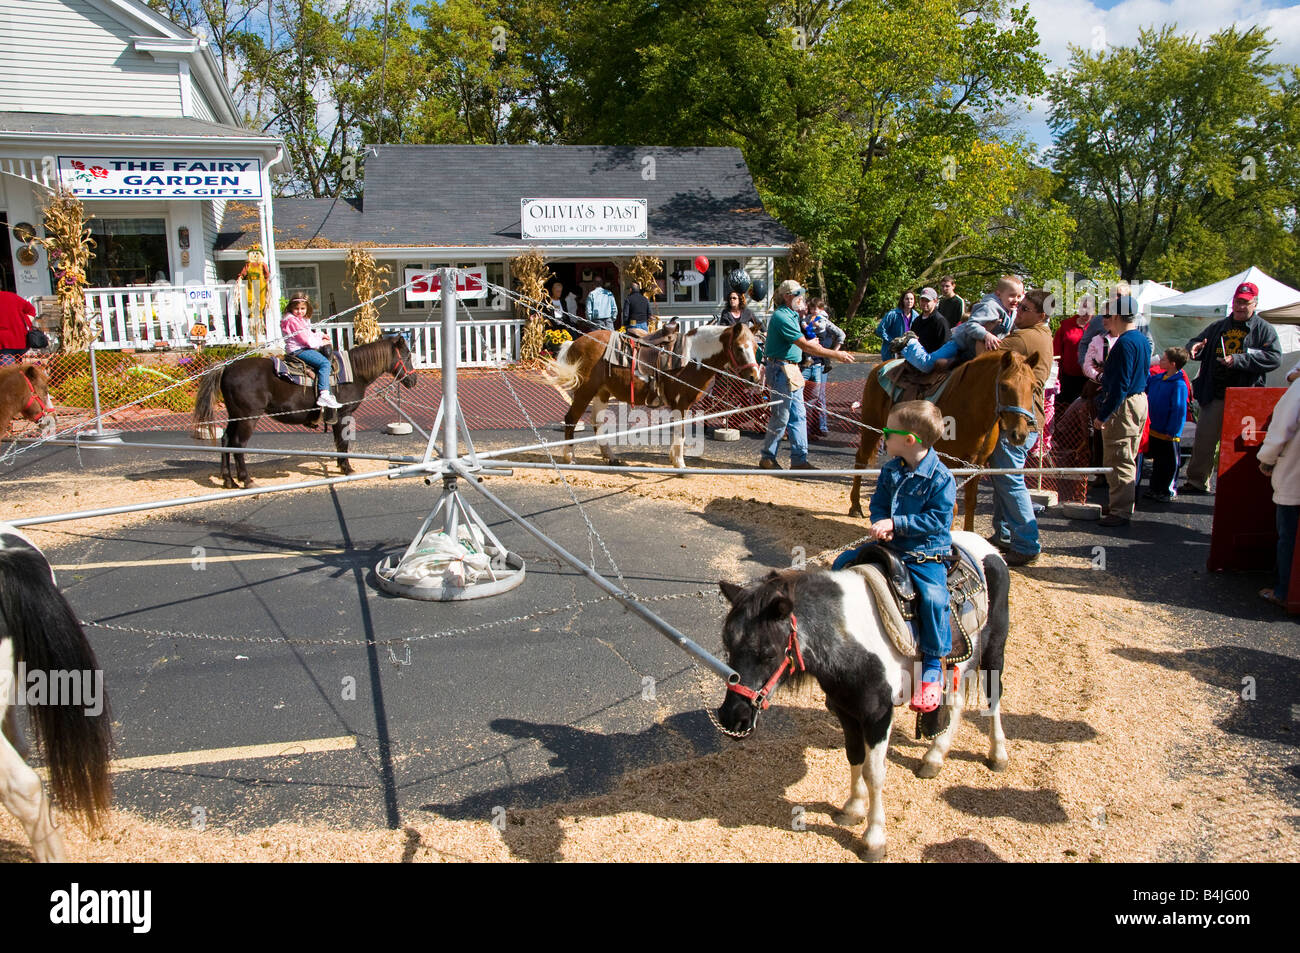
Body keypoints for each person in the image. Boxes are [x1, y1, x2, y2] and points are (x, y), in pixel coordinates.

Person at [831, 400, 955, 713]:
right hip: (891, 546)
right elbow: (879, 503)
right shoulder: (890, 470)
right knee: (841, 564)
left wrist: (896, 524)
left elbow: (938, 521)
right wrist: (880, 521)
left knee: (933, 599)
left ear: (908, 439)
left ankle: (931, 667)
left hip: (925, 553)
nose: (882, 437)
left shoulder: (941, 479)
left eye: (887, 432)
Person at [1182, 281, 1283, 495]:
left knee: (1240, 445)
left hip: (1244, 397)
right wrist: (1194, 348)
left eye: (1245, 303)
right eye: (1237, 301)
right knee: (1204, 440)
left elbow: (1274, 358)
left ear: (1255, 304)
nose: (1240, 306)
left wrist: (1239, 360)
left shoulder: (1264, 330)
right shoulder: (1218, 326)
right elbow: (1194, 343)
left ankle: (1238, 484)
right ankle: (1197, 481)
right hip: (1215, 393)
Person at [987, 288, 1054, 565]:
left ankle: (1027, 544)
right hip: (1027, 417)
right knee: (1004, 477)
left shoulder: (1023, 338)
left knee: (1010, 480)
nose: (1019, 312)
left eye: (1025, 309)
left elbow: (982, 356)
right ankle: (1004, 534)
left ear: (1041, 315)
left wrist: (978, 331)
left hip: (1019, 419)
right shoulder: (1043, 334)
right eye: (1019, 307)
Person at [759, 280, 855, 470]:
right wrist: (836, 354)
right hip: (781, 370)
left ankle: (799, 460)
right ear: (787, 296)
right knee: (781, 416)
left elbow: (809, 340)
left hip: (791, 370)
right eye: (798, 295)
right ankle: (768, 457)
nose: (801, 299)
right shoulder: (781, 317)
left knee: (799, 416)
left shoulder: (793, 316)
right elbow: (806, 345)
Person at [1092, 295, 1149, 526]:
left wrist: (1103, 415)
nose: (1106, 320)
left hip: (1124, 404)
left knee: (1119, 457)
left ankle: (1121, 510)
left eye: (1107, 315)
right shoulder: (1141, 339)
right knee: (1126, 455)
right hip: (1138, 400)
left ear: (1116, 316)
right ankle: (1120, 503)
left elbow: (1120, 385)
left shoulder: (1125, 343)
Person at [895, 275, 1023, 373]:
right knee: (928, 364)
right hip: (959, 343)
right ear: (998, 294)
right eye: (1012, 296)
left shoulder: (1011, 312)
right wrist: (986, 335)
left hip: (973, 349)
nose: (1016, 300)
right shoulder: (991, 307)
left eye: (1019, 296)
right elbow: (972, 325)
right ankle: (910, 343)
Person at [1258, 372, 1300, 607]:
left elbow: (1282, 427)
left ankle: (1285, 591)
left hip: (1294, 474)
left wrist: (1267, 458)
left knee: (1289, 536)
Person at [1144, 346, 1191, 502]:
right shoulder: (1157, 378)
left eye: (1163, 359)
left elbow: (1179, 410)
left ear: (1172, 363)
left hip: (1168, 433)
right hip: (1154, 429)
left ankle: (1168, 490)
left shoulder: (1179, 385)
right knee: (1158, 463)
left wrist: (1173, 430)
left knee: (1169, 463)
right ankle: (1155, 488)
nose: (1160, 361)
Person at [280, 295, 341, 409]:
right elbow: (305, 339)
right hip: (298, 349)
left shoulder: (300, 320)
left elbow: (308, 334)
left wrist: (321, 335)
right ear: (291, 308)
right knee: (324, 363)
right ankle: (324, 393)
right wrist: (320, 342)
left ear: (307, 308)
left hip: (302, 347)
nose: (300, 311)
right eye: (296, 309)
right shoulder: (293, 321)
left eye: (302, 308)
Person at [805, 298, 846, 438]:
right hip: (809, 361)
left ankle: (822, 425)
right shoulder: (806, 319)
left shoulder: (824, 321)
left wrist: (834, 351)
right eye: (812, 308)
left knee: (820, 395)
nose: (815, 311)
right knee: (807, 396)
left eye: (817, 308)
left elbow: (841, 334)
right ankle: (810, 426)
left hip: (821, 362)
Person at [1053, 295, 1094, 409]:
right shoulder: (1066, 325)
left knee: (1083, 411)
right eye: (1083, 307)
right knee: (1063, 410)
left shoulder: (1097, 327)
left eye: (1089, 308)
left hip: (1088, 379)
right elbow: (1056, 352)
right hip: (1067, 378)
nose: (1086, 311)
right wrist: (1056, 375)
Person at [877, 290, 918, 361]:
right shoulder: (893, 314)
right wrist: (892, 341)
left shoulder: (916, 316)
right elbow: (880, 330)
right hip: (891, 353)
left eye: (911, 299)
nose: (909, 301)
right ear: (902, 300)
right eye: (907, 299)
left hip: (908, 352)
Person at [0, 290, 38, 366]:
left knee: (8, 373)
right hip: (21, 340)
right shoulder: (13, 296)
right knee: (18, 369)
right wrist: (25, 322)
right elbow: (31, 310)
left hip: (5, 344)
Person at [910, 287, 951, 354]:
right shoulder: (917, 321)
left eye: (927, 300)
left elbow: (945, 346)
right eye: (922, 300)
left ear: (935, 301)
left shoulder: (940, 321)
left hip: (933, 360)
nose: (924, 303)